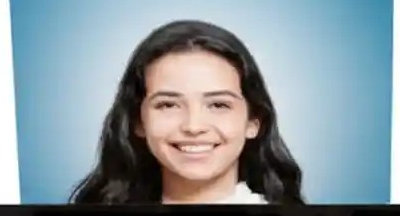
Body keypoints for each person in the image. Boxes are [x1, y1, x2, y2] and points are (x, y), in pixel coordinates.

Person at [69, 19, 304, 205]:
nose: (193, 126)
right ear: (138, 121)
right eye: (168, 105)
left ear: (253, 122)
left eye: (218, 105)